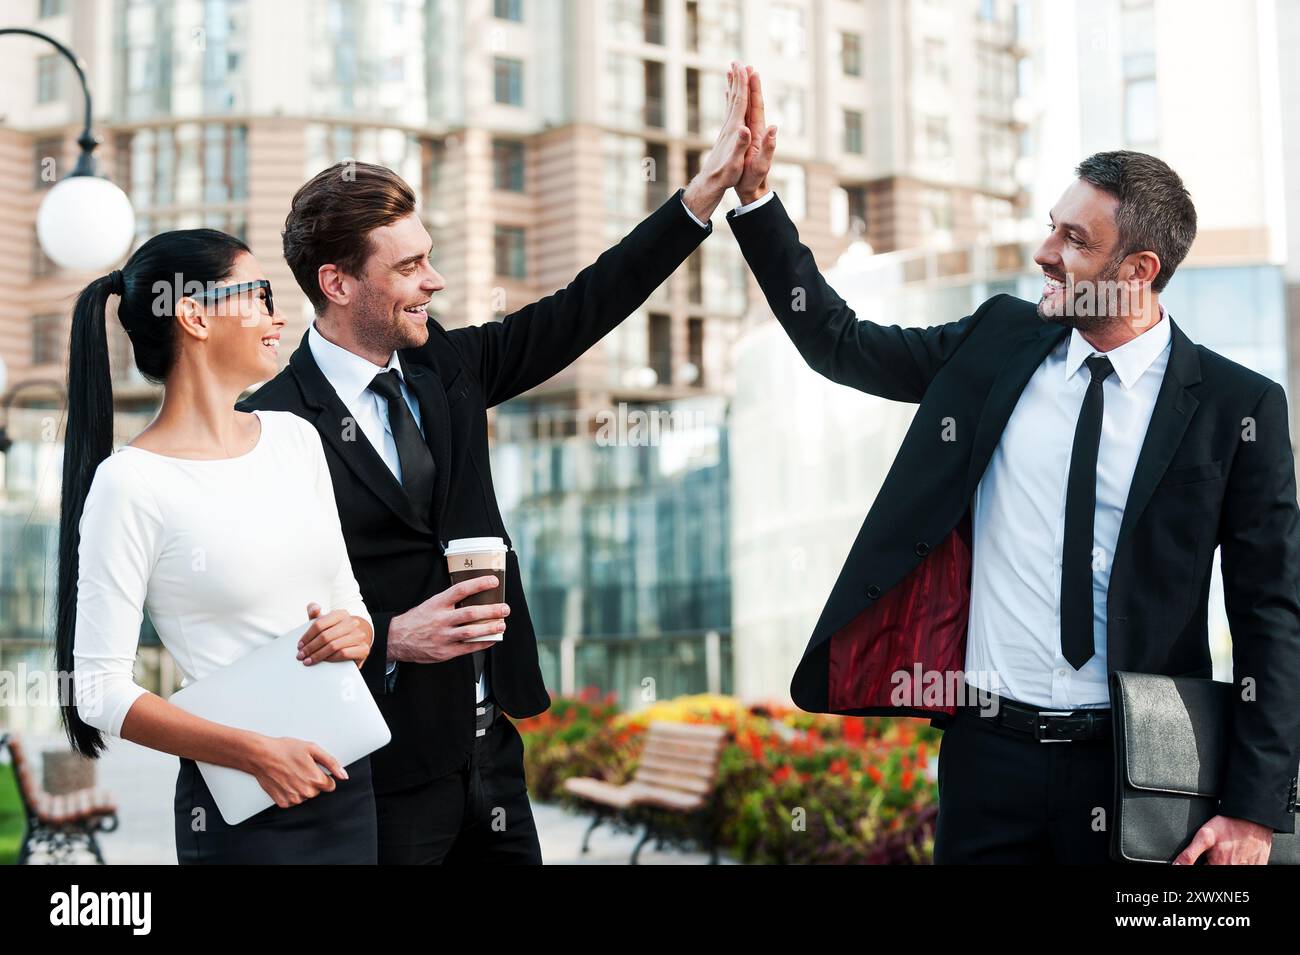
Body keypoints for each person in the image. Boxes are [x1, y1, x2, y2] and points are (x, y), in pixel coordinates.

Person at [727, 70, 1300, 864]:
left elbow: (1273, 616)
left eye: (1074, 240)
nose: (1044, 252)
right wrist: (756, 201)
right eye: (1052, 226)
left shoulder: (1238, 408)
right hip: (986, 760)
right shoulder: (998, 342)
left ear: (1137, 271)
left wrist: (1255, 810)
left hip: (1142, 774)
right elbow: (838, 342)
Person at [238, 63, 760, 864]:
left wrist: (702, 195)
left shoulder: (452, 366)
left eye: (430, 256)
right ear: (336, 282)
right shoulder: (268, 422)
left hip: (492, 758)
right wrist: (386, 637)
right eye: (408, 267)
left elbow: (588, 302)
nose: (434, 279)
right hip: (376, 776)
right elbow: (256, 619)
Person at [56, 229, 379, 864]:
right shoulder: (132, 482)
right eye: (258, 295)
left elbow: (348, 600)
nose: (278, 314)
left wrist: (358, 632)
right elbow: (97, 689)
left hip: (346, 778)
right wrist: (255, 753)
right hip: (244, 806)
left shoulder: (295, 440)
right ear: (195, 314)